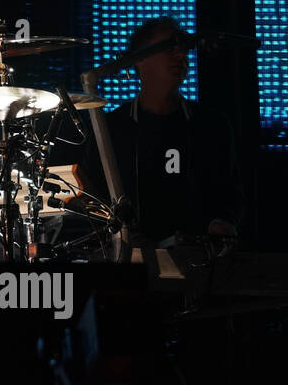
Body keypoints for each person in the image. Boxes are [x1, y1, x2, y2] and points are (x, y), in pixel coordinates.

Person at [77, 16, 244, 244]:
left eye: (183, 49)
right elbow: (92, 197)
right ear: (139, 59)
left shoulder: (212, 125)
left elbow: (230, 193)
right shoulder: (111, 128)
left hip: (199, 256)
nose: (180, 56)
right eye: (169, 48)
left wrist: (222, 221)